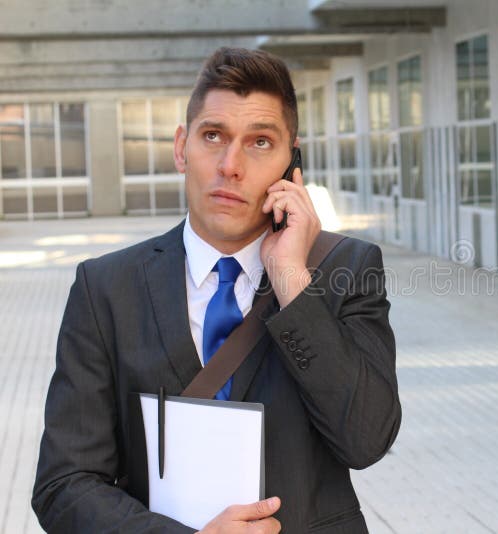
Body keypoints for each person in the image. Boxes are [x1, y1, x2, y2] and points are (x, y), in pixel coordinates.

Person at [32, 47, 401, 533]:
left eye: (260, 142)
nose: (231, 165)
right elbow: (65, 483)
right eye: (214, 136)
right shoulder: (106, 289)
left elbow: (366, 440)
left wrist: (292, 282)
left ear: (293, 165)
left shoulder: (346, 271)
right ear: (182, 146)